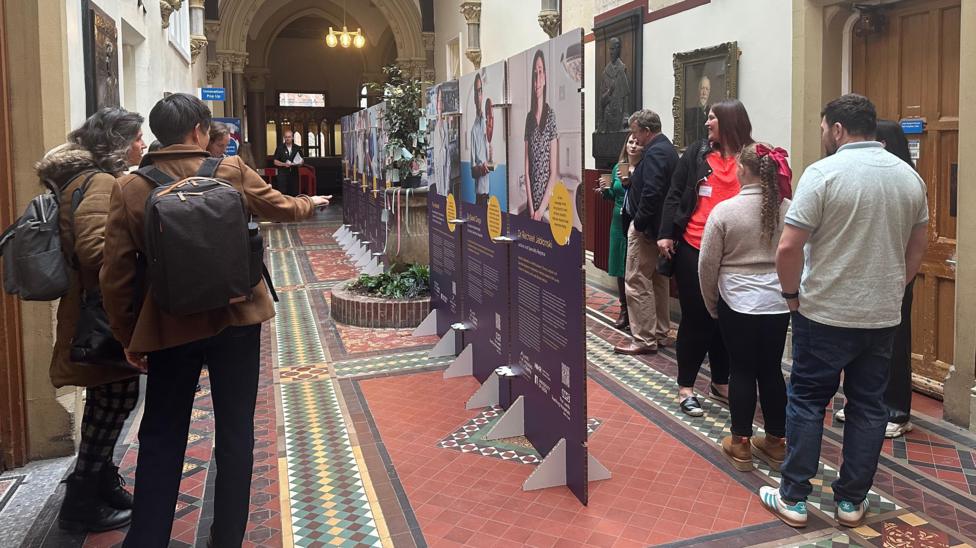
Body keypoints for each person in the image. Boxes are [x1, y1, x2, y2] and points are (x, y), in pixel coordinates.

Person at [100, 93, 331, 547]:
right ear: (198, 132)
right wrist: (309, 204)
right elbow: (278, 206)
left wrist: (129, 334)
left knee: (163, 433)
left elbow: (117, 272)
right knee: (235, 428)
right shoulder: (227, 170)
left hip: (168, 323)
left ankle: (147, 538)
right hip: (236, 317)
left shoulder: (129, 186)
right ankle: (226, 536)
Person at [759, 94, 928, 529]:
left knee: (808, 402)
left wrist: (792, 297)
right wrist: (890, 291)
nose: (823, 136)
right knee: (869, 407)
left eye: (822, 129)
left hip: (823, 314)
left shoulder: (823, 173)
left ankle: (794, 498)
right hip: (881, 317)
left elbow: (788, 247)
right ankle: (852, 503)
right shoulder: (910, 179)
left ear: (837, 129)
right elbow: (917, 252)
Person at [37, 107, 145, 533]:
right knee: (114, 400)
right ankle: (82, 498)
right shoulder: (99, 182)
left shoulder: (85, 178)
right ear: (118, 143)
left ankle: (101, 482)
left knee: (108, 401)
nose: (142, 144)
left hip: (94, 311)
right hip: (102, 315)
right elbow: (96, 250)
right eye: (137, 137)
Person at [698, 142, 793, 472]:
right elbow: (800, 255)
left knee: (741, 369)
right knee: (771, 370)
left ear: (742, 170)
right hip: (777, 301)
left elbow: (707, 265)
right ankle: (776, 442)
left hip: (736, 300)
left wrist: (713, 304)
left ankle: (740, 444)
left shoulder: (725, 212)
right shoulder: (787, 210)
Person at [658, 99, 754, 417]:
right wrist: (666, 233)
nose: (707, 123)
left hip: (738, 252)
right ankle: (686, 386)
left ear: (729, 121)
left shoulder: (753, 156)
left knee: (727, 319)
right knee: (697, 319)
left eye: (712, 118)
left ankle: (720, 382)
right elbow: (674, 192)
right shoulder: (697, 154)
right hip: (694, 247)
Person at [833, 119, 918, 439]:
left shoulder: (905, 181)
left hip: (895, 274)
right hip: (864, 274)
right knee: (860, 344)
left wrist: (901, 279)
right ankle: (862, 402)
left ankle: (897, 409)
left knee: (894, 344)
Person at [615, 110, 677, 354]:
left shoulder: (655, 153)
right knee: (658, 281)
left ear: (647, 131)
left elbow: (652, 193)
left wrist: (638, 224)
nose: (633, 137)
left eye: (635, 132)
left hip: (648, 230)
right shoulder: (665, 149)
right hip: (660, 229)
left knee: (637, 280)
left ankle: (643, 338)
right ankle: (660, 332)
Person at [596, 135, 640, 330]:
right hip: (616, 220)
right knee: (619, 267)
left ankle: (635, 312)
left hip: (634, 219)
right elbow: (612, 195)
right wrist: (604, 190)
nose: (633, 145)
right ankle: (624, 310)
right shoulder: (617, 167)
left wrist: (629, 183)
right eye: (630, 142)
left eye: (637, 142)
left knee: (634, 266)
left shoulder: (642, 167)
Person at [523, 49, 558, 221]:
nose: (537, 79)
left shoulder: (550, 116)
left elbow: (554, 172)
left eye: (540, 72)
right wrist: (531, 208)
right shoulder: (529, 119)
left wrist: (540, 209)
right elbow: (527, 168)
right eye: (534, 74)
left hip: (547, 205)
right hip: (532, 206)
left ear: (545, 77)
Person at [599, 37, 630, 132]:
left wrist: (625, 115)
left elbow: (626, 95)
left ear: (618, 50)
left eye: (614, 49)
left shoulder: (622, 69)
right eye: (610, 49)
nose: (611, 52)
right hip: (608, 117)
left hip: (619, 115)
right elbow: (601, 101)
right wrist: (609, 92)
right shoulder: (605, 73)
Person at [470, 72, 492, 206]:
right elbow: (473, 172)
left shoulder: (488, 123)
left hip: (489, 193)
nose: (479, 96)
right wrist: (482, 169)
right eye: (476, 92)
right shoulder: (474, 130)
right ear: (474, 97)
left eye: (480, 91)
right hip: (480, 195)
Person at [273, 130, 303, 196]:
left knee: (294, 193)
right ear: (284, 138)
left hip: (294, 174)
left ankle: (294, 206)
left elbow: (301, 161)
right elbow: (275, 161)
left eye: (289, 137)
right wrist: (284, 164)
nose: (287, 139)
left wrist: (299, 163)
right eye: (286, 137)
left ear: (292, 138)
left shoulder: (297, 148)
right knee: (283, 194)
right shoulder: (280, 148)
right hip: (282, 174)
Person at [685, 75, 711, 145]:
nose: (704, 92)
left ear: (709, 92)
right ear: (698, 90)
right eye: (702, 88)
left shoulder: (712, 112)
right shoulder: (690, 113)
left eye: (707, 89)